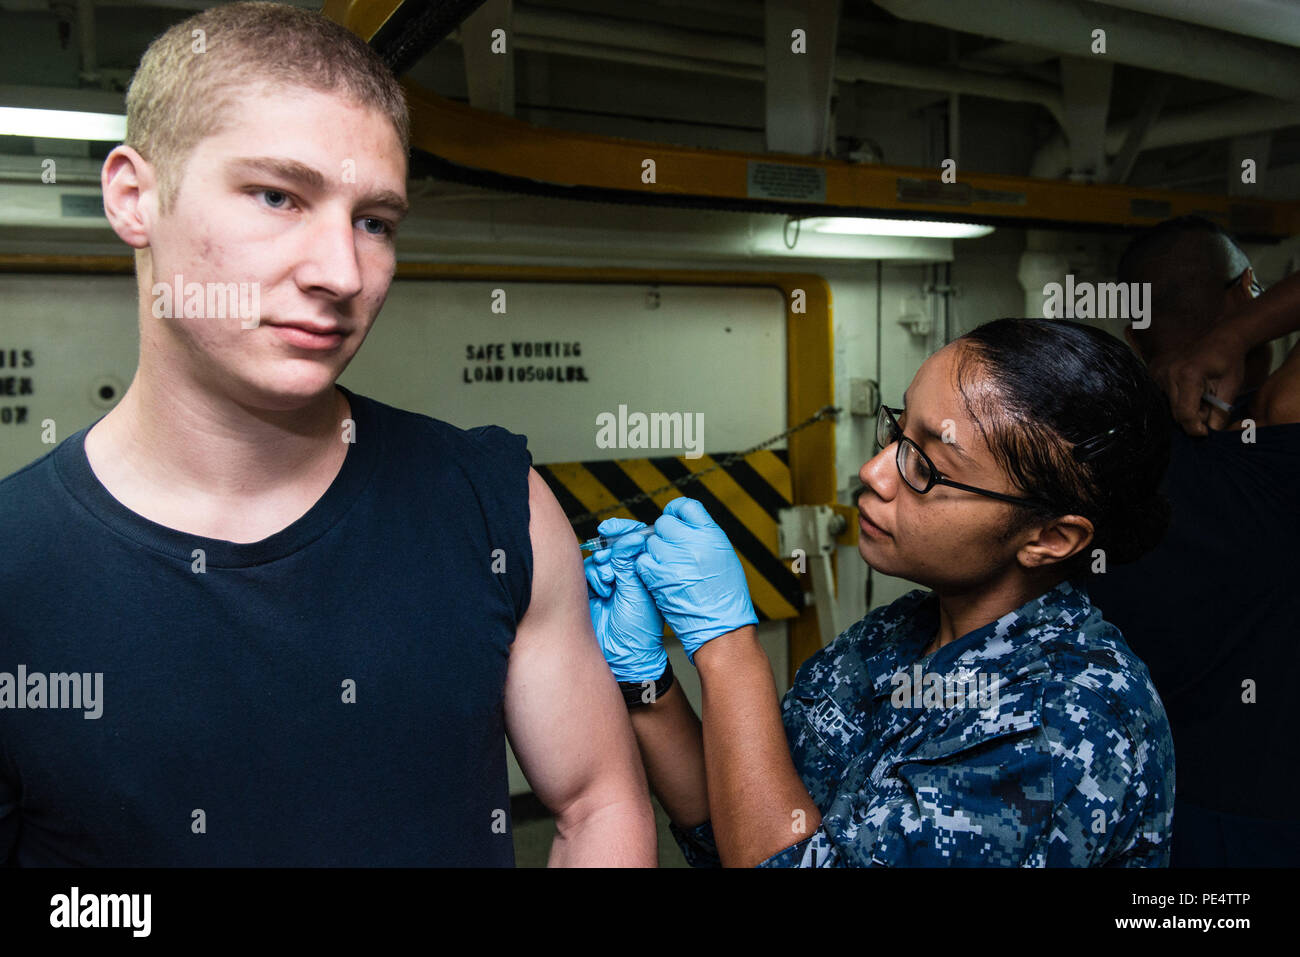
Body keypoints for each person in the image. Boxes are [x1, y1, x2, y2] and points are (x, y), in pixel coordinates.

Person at [0, 2, 655, 866]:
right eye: (278, 195)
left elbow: (595, 801)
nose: (342, 273)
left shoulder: (491, 507)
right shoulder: (17, 562)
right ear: (134, 196)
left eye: (374, 221)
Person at [585, 318, 1175, 866]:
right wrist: (647, 685)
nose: (875, 471)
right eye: (898, 430)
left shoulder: (1061, 725)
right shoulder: (895, 635)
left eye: (926, 465)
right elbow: (745, 823)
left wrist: (728, 653)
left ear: (1050, 537)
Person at [1086, 216, 1300, 866]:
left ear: (1133, 332)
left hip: (1123, 811)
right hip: (1271, 824)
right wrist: (1236, 333)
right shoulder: (1283, 448)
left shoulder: (1094, 468)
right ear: (1247, 295)